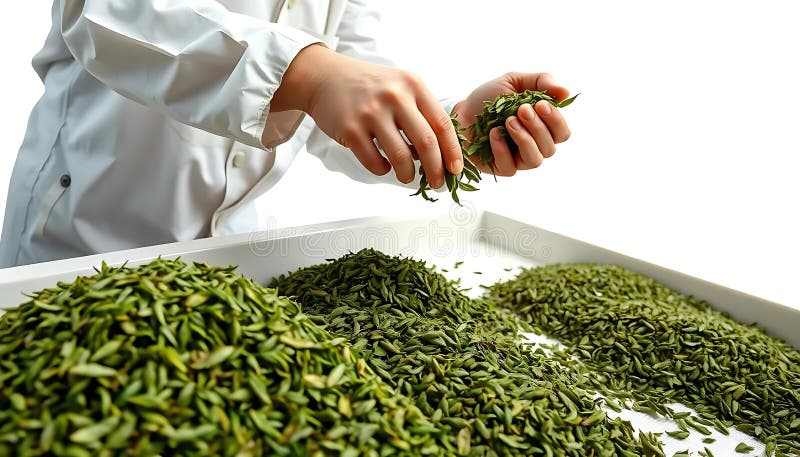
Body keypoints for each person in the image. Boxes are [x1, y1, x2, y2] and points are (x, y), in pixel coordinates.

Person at [0, 0, 572, 268]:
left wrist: (452, 128)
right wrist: (309, 72)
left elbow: (349, 85)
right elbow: (107, 13)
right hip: (79, 238)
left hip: (232, 259)